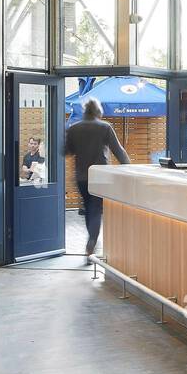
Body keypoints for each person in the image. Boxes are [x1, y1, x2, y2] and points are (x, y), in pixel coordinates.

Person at [63, 96, 131, 259]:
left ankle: (91, 242)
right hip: (100, 176)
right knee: (96, 210)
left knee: (88, 209)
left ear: (85, 111)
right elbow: (119, 151)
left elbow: (66, 151)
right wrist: (129, 167)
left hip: (81, 177)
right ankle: (92, 241)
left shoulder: (74, 128)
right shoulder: (105, 127)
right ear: (98, 111)